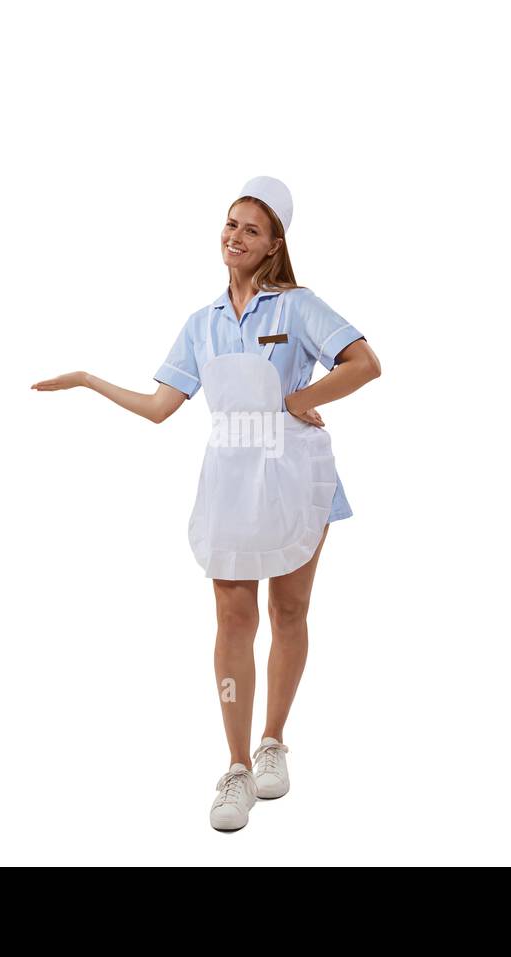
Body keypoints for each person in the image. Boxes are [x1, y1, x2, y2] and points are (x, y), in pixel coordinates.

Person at [32, 176, 381, 831]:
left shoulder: (298, 308)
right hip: (230, 475)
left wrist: (299, 401)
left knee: (288, 607)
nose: (235, 236)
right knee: (232, 617)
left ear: (275, 244)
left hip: (294, 470)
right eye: (230, 224)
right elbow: (162, 407)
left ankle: (273, 741)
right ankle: (237, 766)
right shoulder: (202, 323)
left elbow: (364, 363)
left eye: (251, 228)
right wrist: (86, 379)